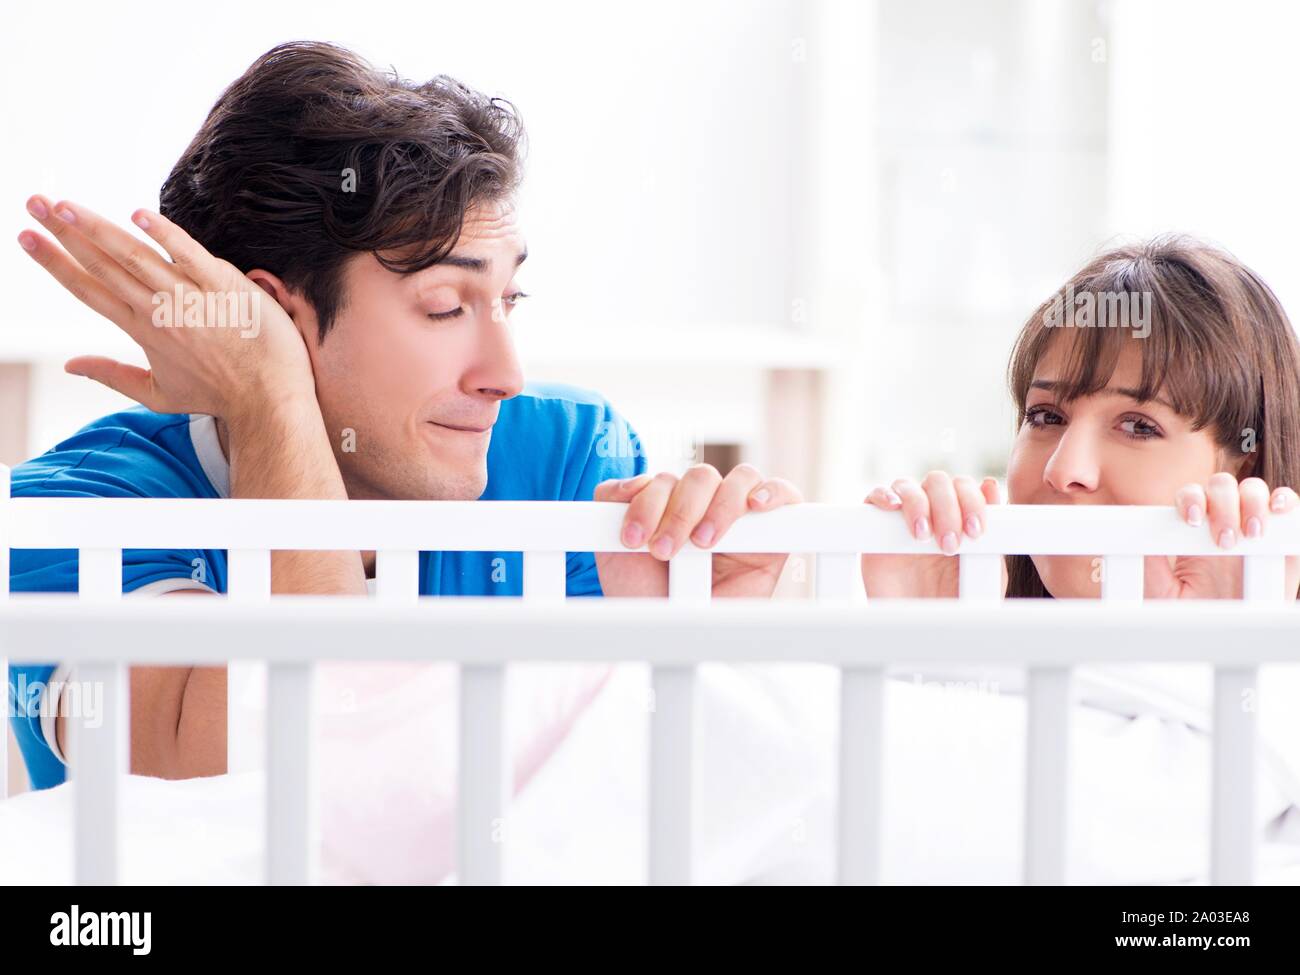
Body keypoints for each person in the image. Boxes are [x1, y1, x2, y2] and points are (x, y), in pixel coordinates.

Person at [9, 42, 801, 790]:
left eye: (508, 300)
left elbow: (624, 812)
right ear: (271, 319)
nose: (506, 376)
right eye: (446, 306)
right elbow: (280, 774)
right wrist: (269, 401)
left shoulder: (569, 456)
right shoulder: (71, 517)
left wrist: (711, 658)